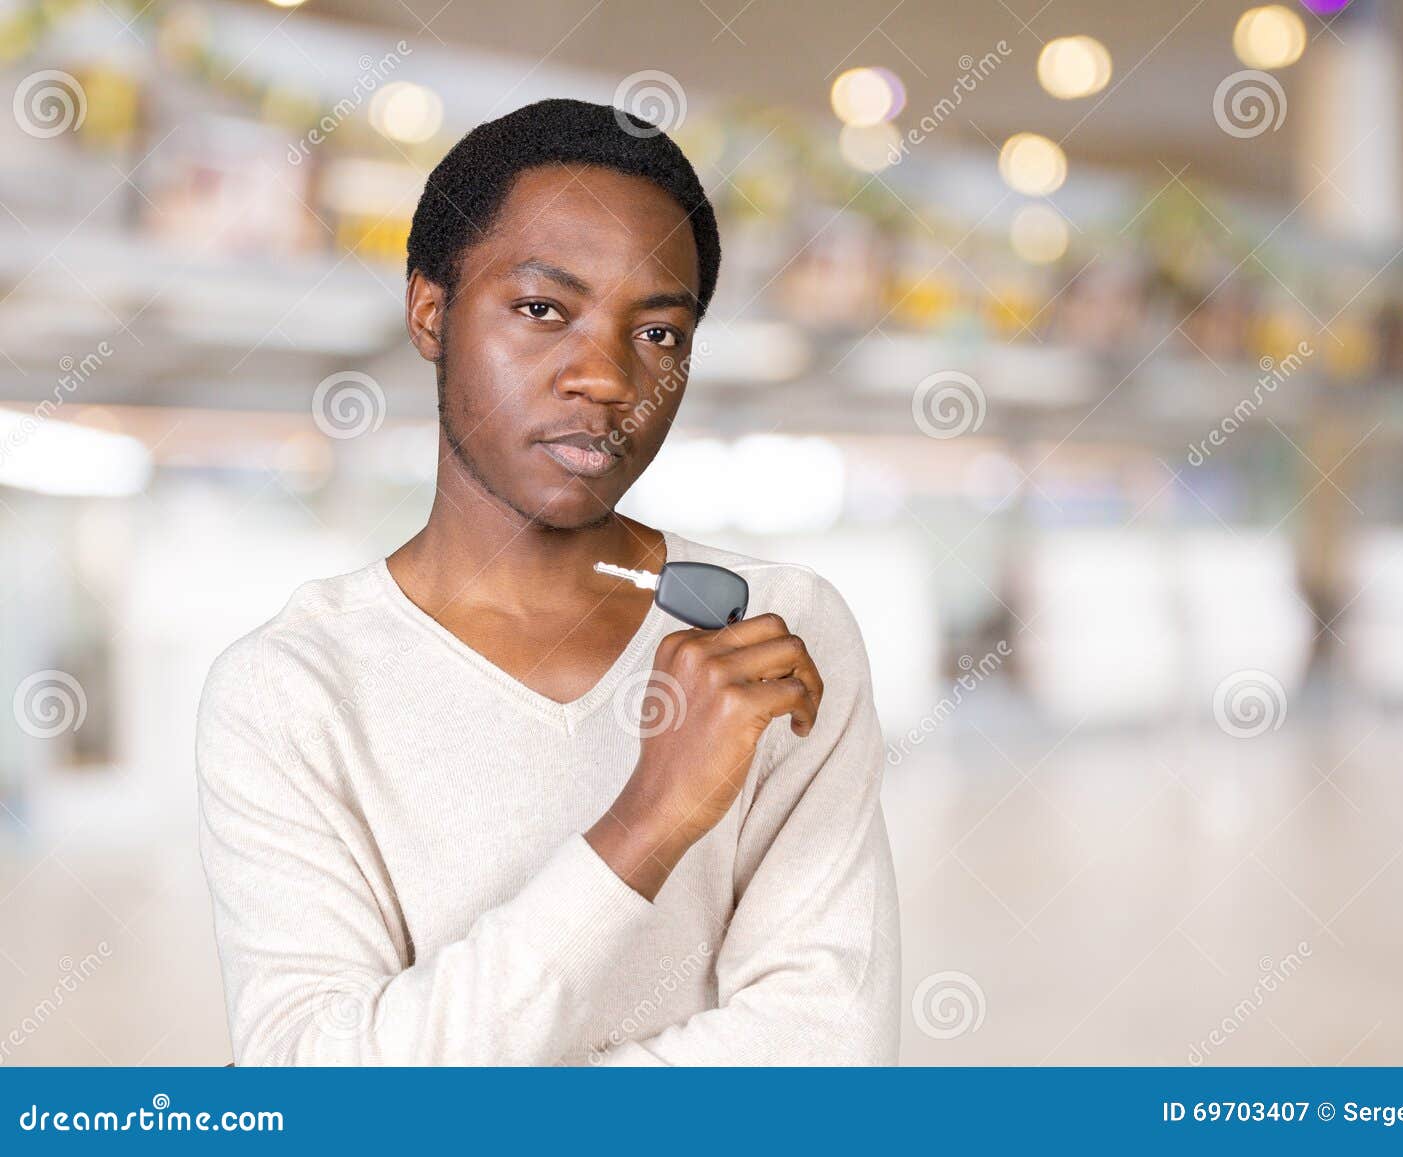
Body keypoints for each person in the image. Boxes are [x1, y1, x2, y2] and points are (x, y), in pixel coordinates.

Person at [194, 98, 900, 1065]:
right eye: (542, 310)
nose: (607, 377)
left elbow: (826, 1049)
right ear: (430, 311)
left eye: (659, 334)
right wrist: (650, 821)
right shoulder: (291, 690)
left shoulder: (775, 635)